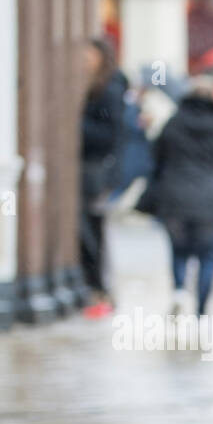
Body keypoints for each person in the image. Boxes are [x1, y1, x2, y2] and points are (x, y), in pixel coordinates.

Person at [150, 76, 213, 316]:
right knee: (208, 256)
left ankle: (179, 290)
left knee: (178, 251)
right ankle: (200, 310)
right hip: (209, 199)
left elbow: (156, 156)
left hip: (174, 198)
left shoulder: (174, 122)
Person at [80, 37, 128, 318]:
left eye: (90, 56)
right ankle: (98, 289)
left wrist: (76, 124)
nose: (85, 61)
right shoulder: (93, 85)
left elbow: (112, 135)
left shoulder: (109, 88)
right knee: (91, 231)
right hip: (92, 169)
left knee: (92, 231)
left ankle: (101, 291)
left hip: (97, 171)